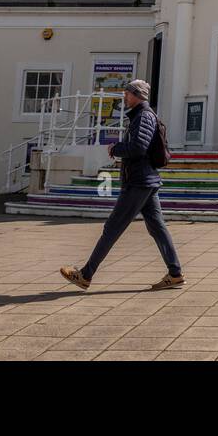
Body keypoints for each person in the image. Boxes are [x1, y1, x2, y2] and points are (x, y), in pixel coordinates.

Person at [60, 80, 183, 291]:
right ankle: (175, 274)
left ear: (137, 95)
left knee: (112, 228)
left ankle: (85, 275)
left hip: (138, 181)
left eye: (127, 93)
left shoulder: (143, 116)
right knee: (157, 228)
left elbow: (138, 147)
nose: (124, 96)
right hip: (145, 180)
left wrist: (116, 149)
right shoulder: (141, 115)